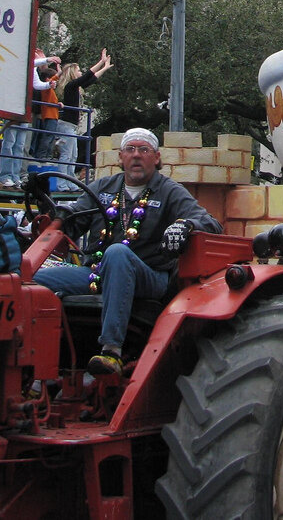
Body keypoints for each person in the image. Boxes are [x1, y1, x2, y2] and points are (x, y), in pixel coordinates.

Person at [33, 127, 222, 375]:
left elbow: (211, 224)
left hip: (149, 276)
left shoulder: (169, 191)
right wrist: (48, 211)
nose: (136, 155)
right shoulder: (102, 187)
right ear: (120, 157)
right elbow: (72, 222)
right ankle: (40, 368)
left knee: (117, 253)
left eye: (143, 150)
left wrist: (186, 225)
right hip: (96, 273)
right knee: (30, 279)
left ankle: (111, 350)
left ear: (156, 158)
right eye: (130, 149)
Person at [0, 52, 60, 188]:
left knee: (19, 145)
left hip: (25, 108)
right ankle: (5, 176)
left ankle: (15, 175)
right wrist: (48, 59)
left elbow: (37, 84)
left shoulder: (32, 70)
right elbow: (29, 62)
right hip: (12, 107)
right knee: (9, 143)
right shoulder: (20, 61)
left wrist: (49, 85)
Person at [56, 49, 114, 174]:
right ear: (72, 73)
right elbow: (87, 75)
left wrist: (105, 68)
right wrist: (101, 62)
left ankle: (70, 182)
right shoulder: (70, 86)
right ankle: (62, 182)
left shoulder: (76, 88)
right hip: (66, 125)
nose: (80, 72)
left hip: (72, 126)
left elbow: (91, 79)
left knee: (72, 155)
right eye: (78, 70)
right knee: (67, 155)